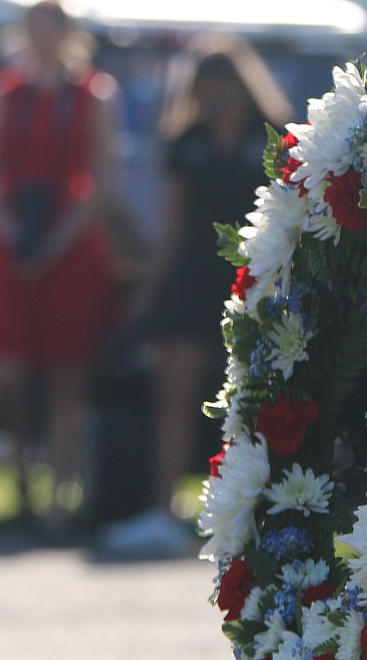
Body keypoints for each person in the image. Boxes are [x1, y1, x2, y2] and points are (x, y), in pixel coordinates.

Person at [98, 37, 294, 559]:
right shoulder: (186, 143)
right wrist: (147, 293)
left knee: (257, 401)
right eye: (205, 89)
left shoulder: (273, 137)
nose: (214, 98)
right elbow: (172, 225)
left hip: (256, 280)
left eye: (222, 87)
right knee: (173, 392)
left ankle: (256, 513)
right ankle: (163, 511)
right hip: (194, 281)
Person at [0, 0, 122, 537]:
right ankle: (22, 466)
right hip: (11, 242)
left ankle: (59, 497)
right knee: (5, 372)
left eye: (51, 28)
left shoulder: (93, 93)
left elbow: (101, 181)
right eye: (34, 28)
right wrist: (11, 234)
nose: (42, 37)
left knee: (66, 376)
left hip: (70, 243)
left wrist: (53, 242)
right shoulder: (3, 93)